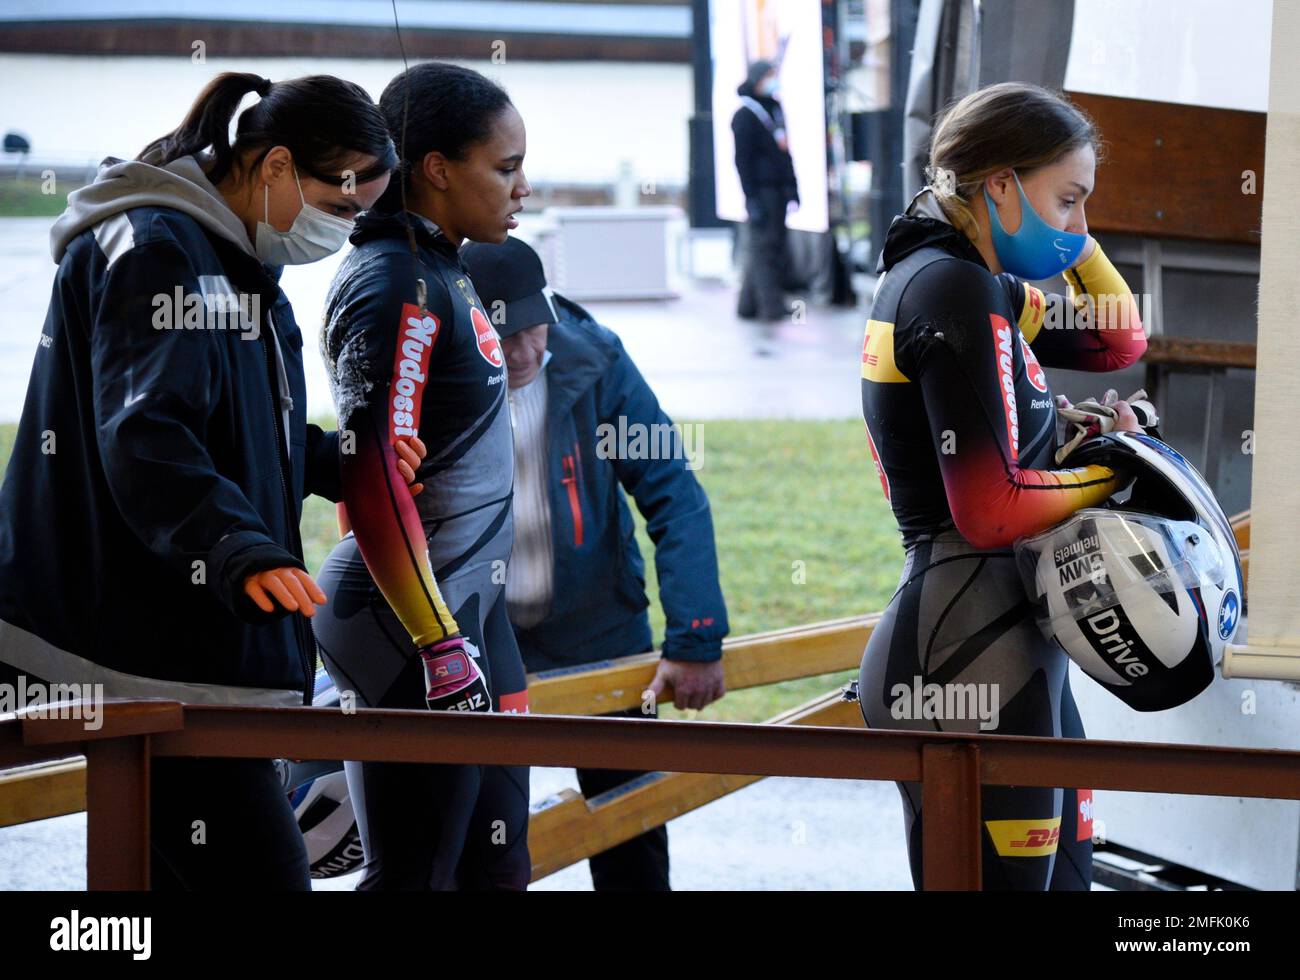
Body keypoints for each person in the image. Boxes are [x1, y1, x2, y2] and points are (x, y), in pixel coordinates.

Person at [0, 72, 399, 889]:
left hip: (181, 645)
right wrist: (241, 548)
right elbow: (147, 434)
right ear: (277, 166)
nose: (344, 230)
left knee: (155, 881)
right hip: (141, 649)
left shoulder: (232, 257)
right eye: (342, 204)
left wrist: (343, 462)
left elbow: (241, 427)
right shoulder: (157, 251)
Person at [857, 82, 1148, 890]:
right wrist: (1109, 466)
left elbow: (1119, 337)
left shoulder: (974, 282)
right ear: (1000, 186)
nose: (1078, 225)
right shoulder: (946, 286)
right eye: (1067, 199)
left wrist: (1071, 234)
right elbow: (987, 512)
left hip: (1010, 640)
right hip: (963, 646)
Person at [310, 63, 532, 891]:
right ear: (436, 169)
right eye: (505, 168)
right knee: (415, 876)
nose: (523, 187)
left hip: (473, 612)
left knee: (498, 868)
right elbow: (367, 476)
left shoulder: (445, 267)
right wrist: (438, 642)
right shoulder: (395, 277)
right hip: (414, 626)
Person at [460, 235, 729, 891]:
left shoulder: (596, 359)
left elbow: (673, 491)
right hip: (480, 638)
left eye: (534, 328)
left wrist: (695, 634)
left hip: (599, 625)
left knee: (631, 828)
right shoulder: (440, 371)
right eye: (503, 335)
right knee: (483, 841)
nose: (524, 351)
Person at [731, 59, 800, 322]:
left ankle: (747, 305)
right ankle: (770, 306)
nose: (774, 80)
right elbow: (742, 161)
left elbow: (784, 152)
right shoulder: (745, 115)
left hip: (779, 190)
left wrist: (793, 187)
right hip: (762, 192)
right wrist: (751, 198)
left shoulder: (774, 109)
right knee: (765, 249)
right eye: (769, 75)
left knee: (769, 246)